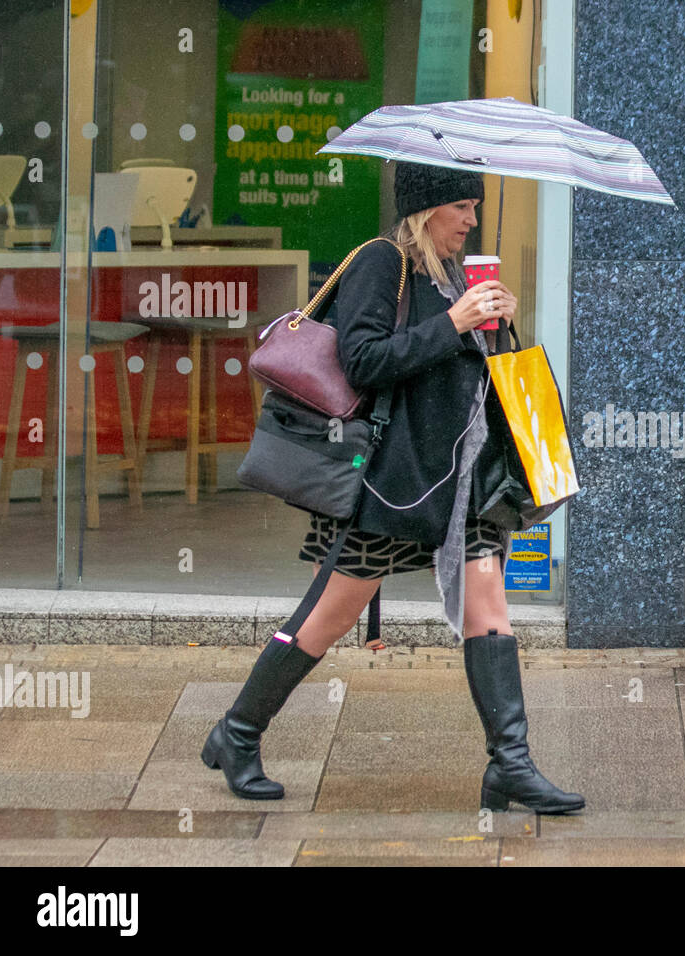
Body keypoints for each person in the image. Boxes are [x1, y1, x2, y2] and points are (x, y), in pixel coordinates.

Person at [201, 162, 585, 812]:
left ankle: (511, 766)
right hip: (393, 485)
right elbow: (364, 360)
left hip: (460, 483)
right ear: (425, 206)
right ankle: (237, 732)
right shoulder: (383, 263)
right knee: (332, 615)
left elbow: (461, 377)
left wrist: (496, 325)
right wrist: (455, 323)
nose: (469, 219)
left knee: (488, 606)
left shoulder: (452, 275)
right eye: (459, 206)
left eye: (473, 207)